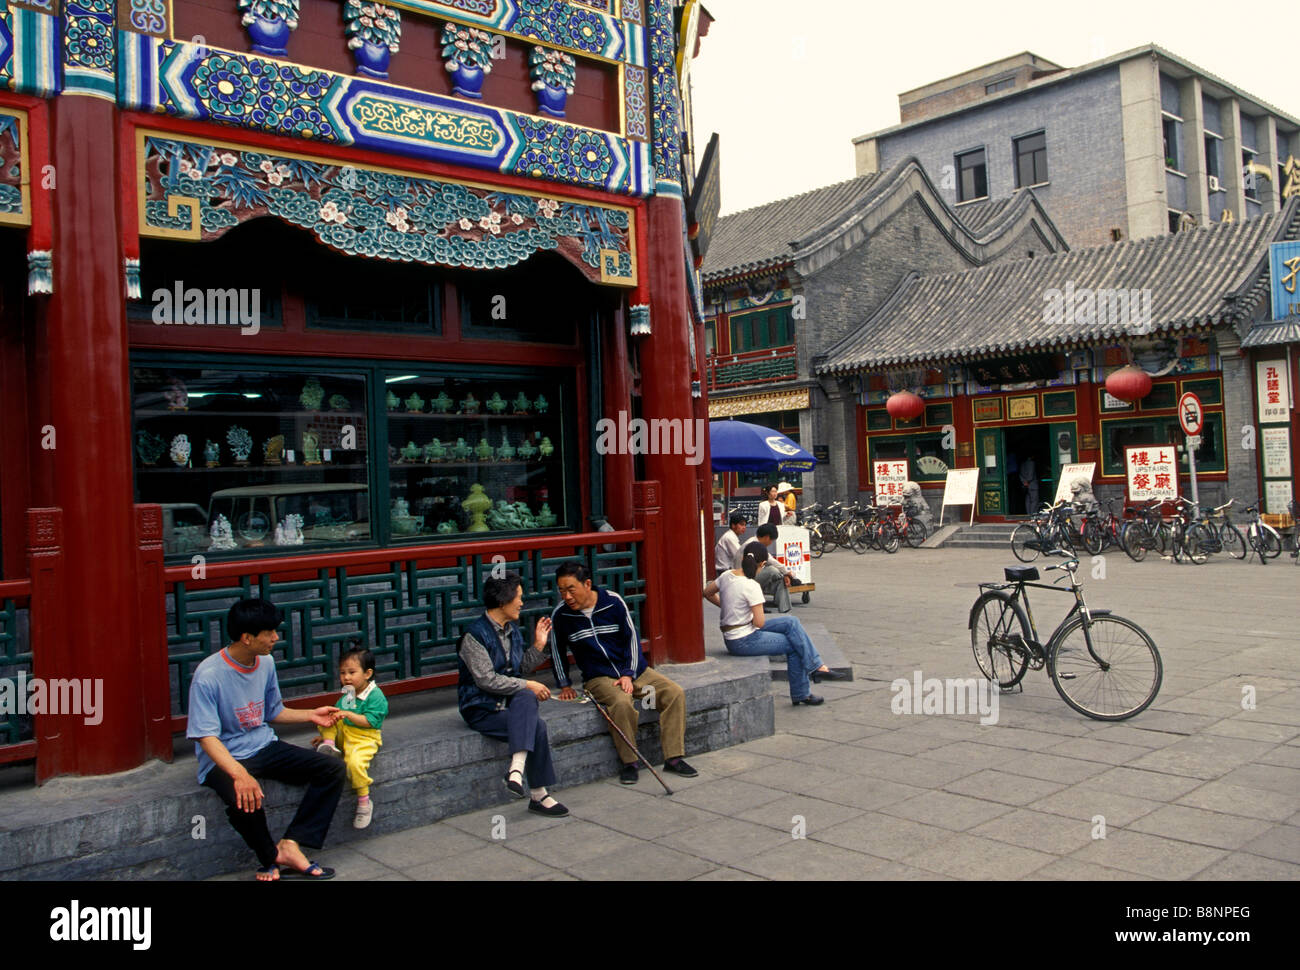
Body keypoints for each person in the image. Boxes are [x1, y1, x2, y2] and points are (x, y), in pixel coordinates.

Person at [188, 598, 347, 881]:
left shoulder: (265, 662)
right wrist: (239, 773)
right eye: (269, 633)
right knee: (243, 796)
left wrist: (313, 715)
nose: (276, 638)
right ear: (247, 638)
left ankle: (291, 842)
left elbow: (273, 710)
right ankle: (270, 857)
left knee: (332, 768)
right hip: (225, 754)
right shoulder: (208, 675)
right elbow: (206, 736)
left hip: (262, 745)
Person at [547, 561, 697, 785]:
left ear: (587, 584)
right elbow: (556, 650)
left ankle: (673, 758)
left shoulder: (613, 602)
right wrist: (565, 684)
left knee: (673, 693)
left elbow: (632, 640)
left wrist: (628, 673)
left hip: (633, 671)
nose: (566, 596)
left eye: (571, 589)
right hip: (599, 678)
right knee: (621, 702)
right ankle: (630, 762)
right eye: (561, 591)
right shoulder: (561, 616)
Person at [458, 572, 568, 817]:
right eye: (518, 597)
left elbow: (517, 671)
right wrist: (528, 685)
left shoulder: (513, 631)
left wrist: (539, 645)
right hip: (481, 707)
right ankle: (538, 793)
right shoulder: (474, 636)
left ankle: (517, 772)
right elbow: (486, 679)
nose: (521, 602)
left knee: (527, 698)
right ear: (502, 601)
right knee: (535, 721)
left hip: (508, 704)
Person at [704, 542, 843, 705]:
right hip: (743, 640)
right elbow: (760, 623)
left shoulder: (727, 575)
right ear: (762, 564)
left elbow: (707, 593)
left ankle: (817, 667)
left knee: (791, 621)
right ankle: (802, 692)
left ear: (743, 558)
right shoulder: (752, 586)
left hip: (736, 633)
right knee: (794, 645)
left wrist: (728, 606)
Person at [313, 643, 387, 829]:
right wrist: (328, 729)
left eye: (351, 672)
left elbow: (372, 722)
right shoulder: (348, 691)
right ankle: (329, 745)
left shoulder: (376, 695)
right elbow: (340, 712)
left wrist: (348, 715)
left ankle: (363, 801)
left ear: (367, 674)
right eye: (342, 673)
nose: (346, 677)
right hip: (344, 733)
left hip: (364, 737)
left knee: (354, 763)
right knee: (326, 718)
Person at [740, 523, 793, 613]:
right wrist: (787, 572)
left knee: (781, 579)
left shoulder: (755, 542)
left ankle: (784, 608)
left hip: (752, 575)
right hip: (744, 577)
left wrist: (784, 575)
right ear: (767, 537)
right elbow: (771, 561)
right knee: (773, 570)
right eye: (771, 540)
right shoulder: (753, 544)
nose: (770, 543)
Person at [714, 512, 747, 578]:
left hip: (727, 570)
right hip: (724, 572)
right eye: (741, 525)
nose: (744, 527)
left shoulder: (731, 536)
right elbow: (739, 556)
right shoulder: (729, 537)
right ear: (733, 525)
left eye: (745, 525)